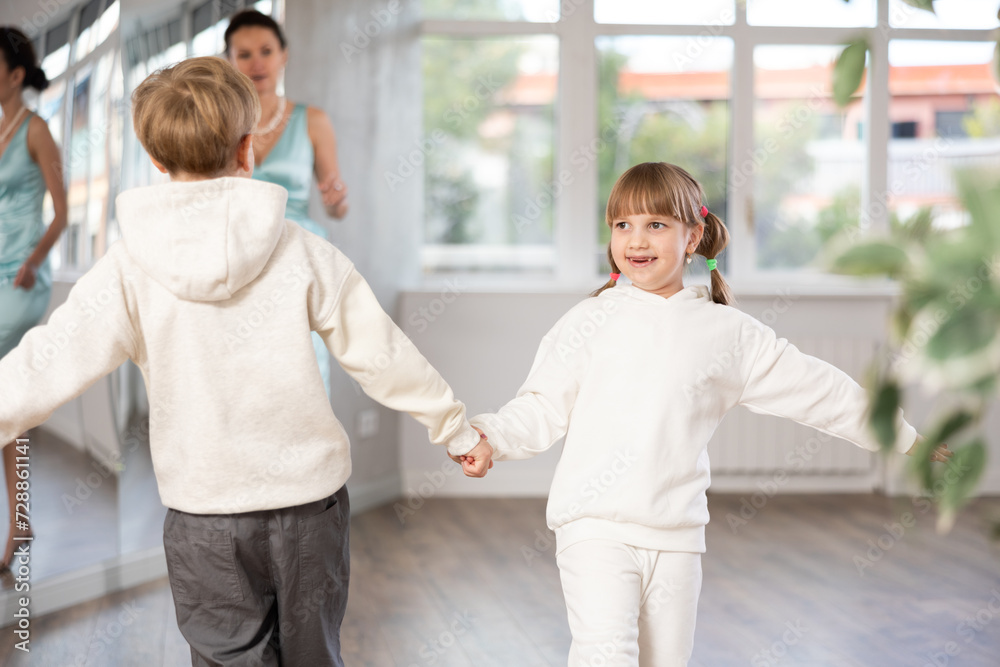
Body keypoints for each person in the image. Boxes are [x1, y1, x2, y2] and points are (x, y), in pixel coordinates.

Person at [0, 56, 493, 666]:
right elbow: (382, 352)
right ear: (248, 147)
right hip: (309, 509)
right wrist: (455, 427)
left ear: (156, 160)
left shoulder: (128, 270)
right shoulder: (302, 250)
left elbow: (46, 362)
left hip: (205, 518)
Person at [465, 162, 952, 667]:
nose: (636, 239)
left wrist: (907, 438)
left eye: (656, 224)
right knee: (604, 654)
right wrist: (492, 436)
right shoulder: (590, 321)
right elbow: (541, 405)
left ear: (693, 236)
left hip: (678, 536)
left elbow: (819, 390)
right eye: (622, 225)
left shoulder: (729, 334)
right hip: (594, 527)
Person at [225, 9, 349, 399]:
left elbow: (336, 207)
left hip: (299, 258)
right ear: (230, 62)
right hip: (239, 260)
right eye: (244, 54)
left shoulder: (313, 120)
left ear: (284, 55)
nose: (256, 62)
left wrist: (336, 199)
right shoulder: (220, 124)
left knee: (303, 369)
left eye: (266, 50)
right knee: (244, 374)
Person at [0, 27, 67, 570]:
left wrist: (32, 263)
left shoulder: (37, 130)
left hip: (21, 283)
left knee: (7, 406)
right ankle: (20, 523)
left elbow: (63, 212)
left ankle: (19, 523)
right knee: (9, 409)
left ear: (16, 74)